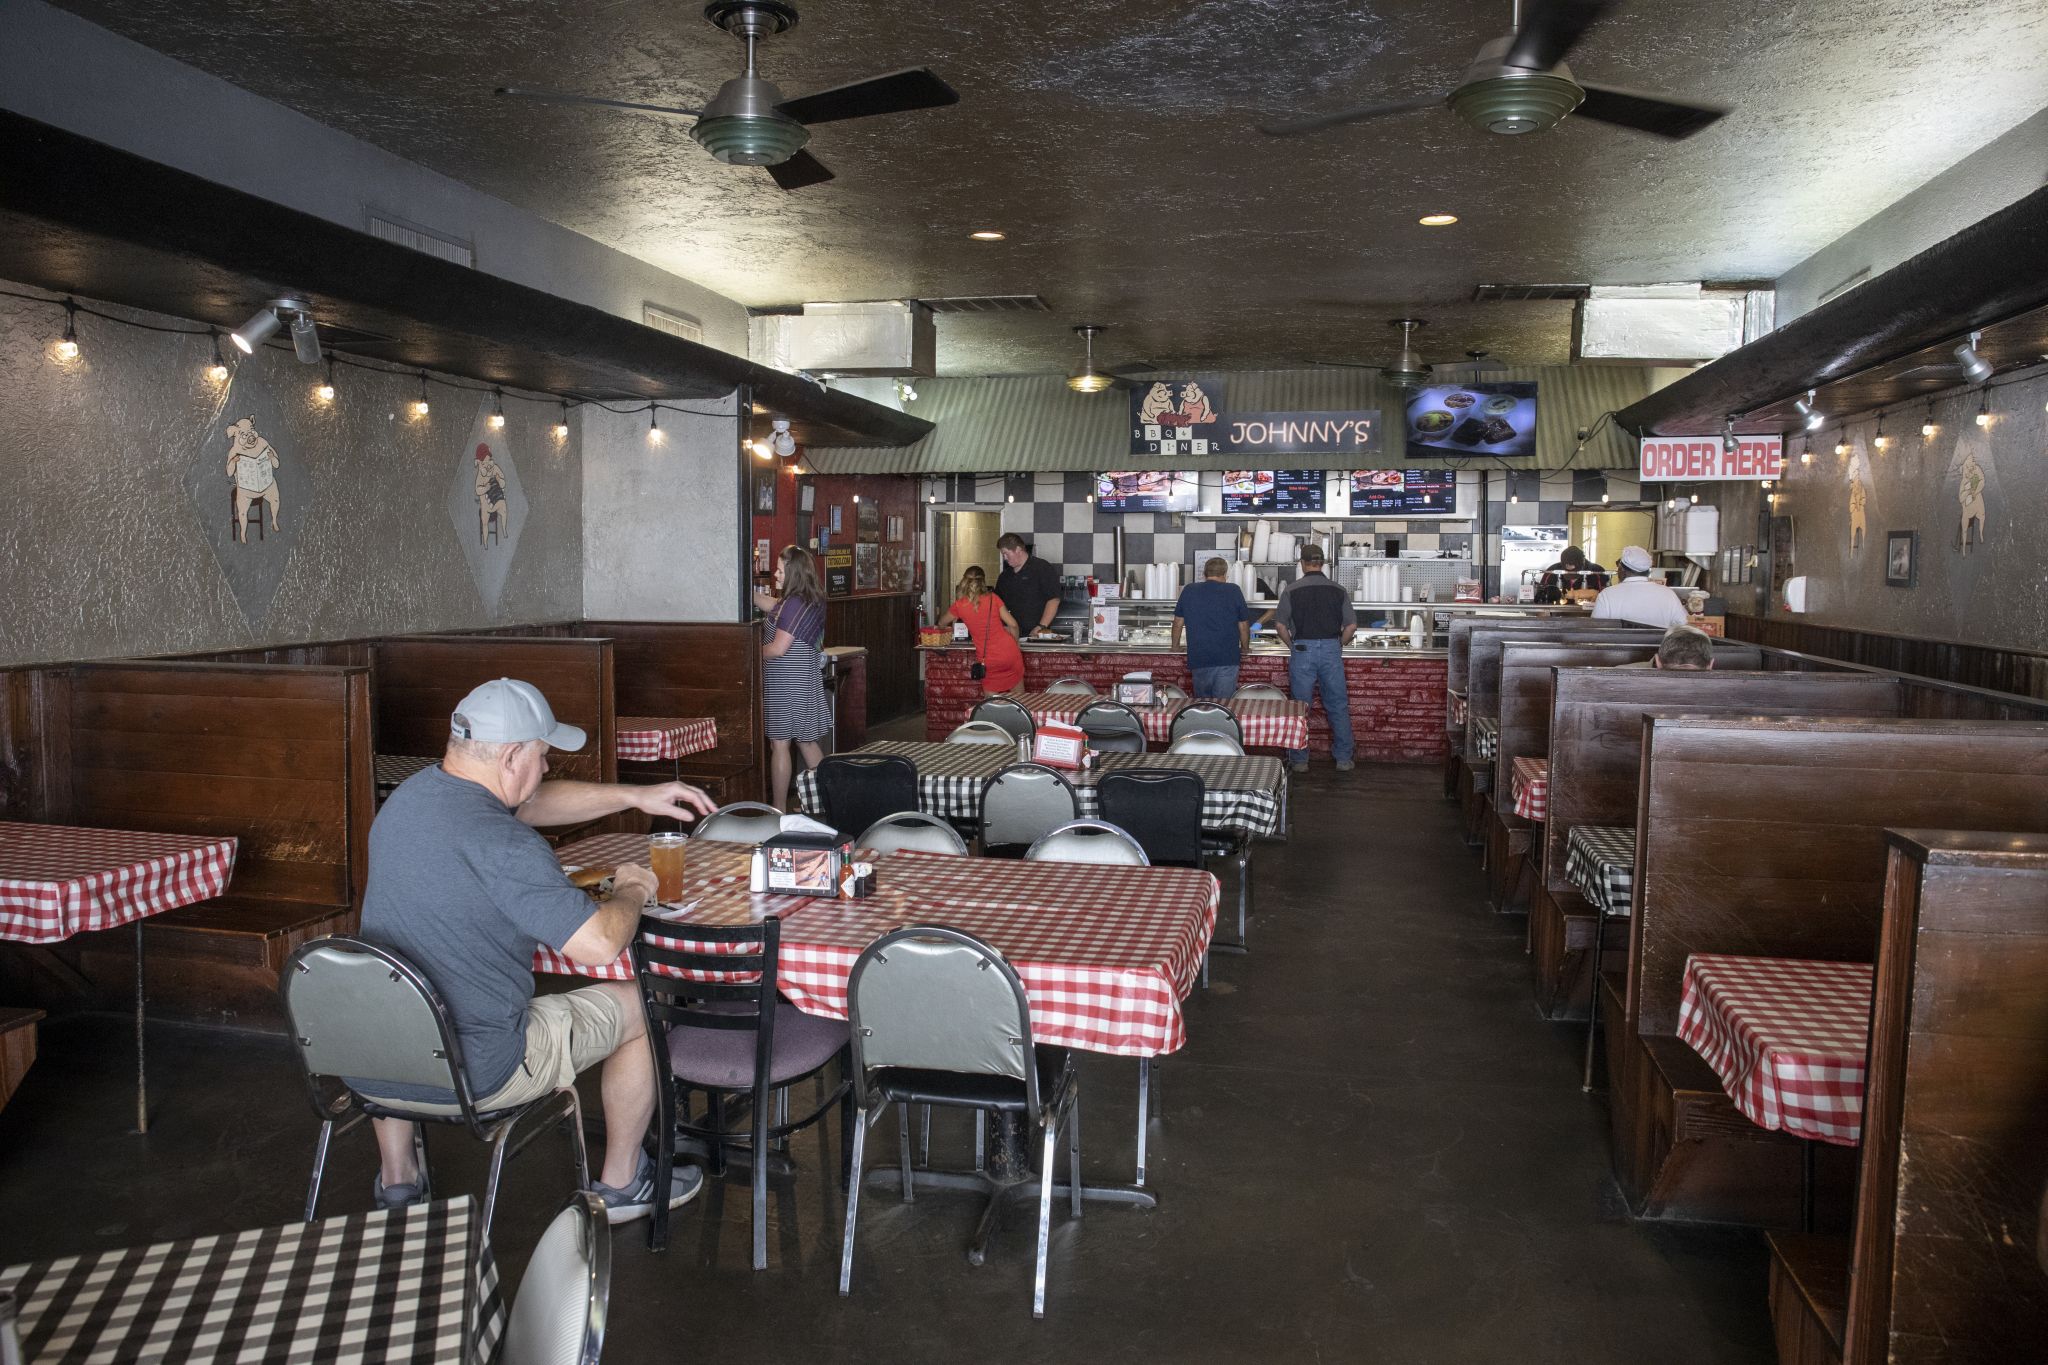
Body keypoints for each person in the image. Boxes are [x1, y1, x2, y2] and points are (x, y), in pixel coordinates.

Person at [358, 678, 718, 1224]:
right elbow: (600, 944)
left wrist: (634, 796)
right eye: (543, 756)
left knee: (399, 1002)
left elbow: (525, 803)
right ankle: (623, 1183)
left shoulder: (409, 800)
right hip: (482, 1067)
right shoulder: (506, 845)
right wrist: (632, 888)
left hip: (366, 1051)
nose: (548, 768)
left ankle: (399, 1181)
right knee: (642, 1002)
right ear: (510, 756)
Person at [754, 546, 831, 812]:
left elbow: (778, 648)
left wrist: (749, 653)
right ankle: (829, 802)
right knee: (806, 741)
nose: (775, 575)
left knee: (779, 743)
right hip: (802, 679)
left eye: (780, 571)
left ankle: (778, 810)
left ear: (794, 574)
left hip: (786, 681)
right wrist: (748, 594)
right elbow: (774, 607)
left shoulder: (795, 603)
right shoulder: (805, 600)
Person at [1273, 544, 1356, 773]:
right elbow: (1351, 626)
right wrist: (1339, 644)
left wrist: (1292, 646)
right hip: (1331, 649)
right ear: (1323, 564)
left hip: (1302, 649)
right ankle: (1343, 759)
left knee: (1300, 707)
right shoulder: (1339, 590)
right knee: (1338, 705)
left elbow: (1280, 625)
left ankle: (1300, 761)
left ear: (1302, 563)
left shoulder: (1291, 590)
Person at [1173, 557, 1252, 699]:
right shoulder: (1233, 590)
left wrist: (1175, 646)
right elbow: (1243, 625)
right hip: (1227, 658)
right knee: (1223, 705)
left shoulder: (1189, 590)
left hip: (1199, 658)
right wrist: (1245, 648)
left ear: (1204, 574)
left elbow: (1178, 622)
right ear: (1225, 574)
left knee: (1203, 705)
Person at [939, 565, 1024, 693]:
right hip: (1010, 653)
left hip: (988, 659)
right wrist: (1015, 643)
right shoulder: (993, 598)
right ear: (983, 581)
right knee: (1020, 701)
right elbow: (1013, 625)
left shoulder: (959, 605)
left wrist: (949, 629)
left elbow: (942, 623)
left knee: (991, 703)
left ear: (964, 581)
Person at [1591, 545, 1690, 628]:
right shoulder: (1668, 594)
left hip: (1617, 646)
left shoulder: (1607, 595)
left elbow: (1596, 630)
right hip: (1659, 646)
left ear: (1622, 570)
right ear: (1648, 572)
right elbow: (1685, 626)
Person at [993, 533, 1063, 638]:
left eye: (1006, 553)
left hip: (1037, 636)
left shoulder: (1042, 568)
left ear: (1018, 550)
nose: (1004, 558)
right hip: (1011, 635)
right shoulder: (1005, 576)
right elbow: (997, 605)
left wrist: (1041, 626)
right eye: (1003, 555)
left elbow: (1054, 600)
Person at [1534, 545, 1606, 603]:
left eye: (1575, 573)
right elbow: (1540, 598)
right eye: (1567, 572)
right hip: (1559, 613)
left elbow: (1607, 599)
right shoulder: (1552, 572)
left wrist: (1588, 593)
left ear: (1583, 564)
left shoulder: (1598, 572)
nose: (1572, 579)